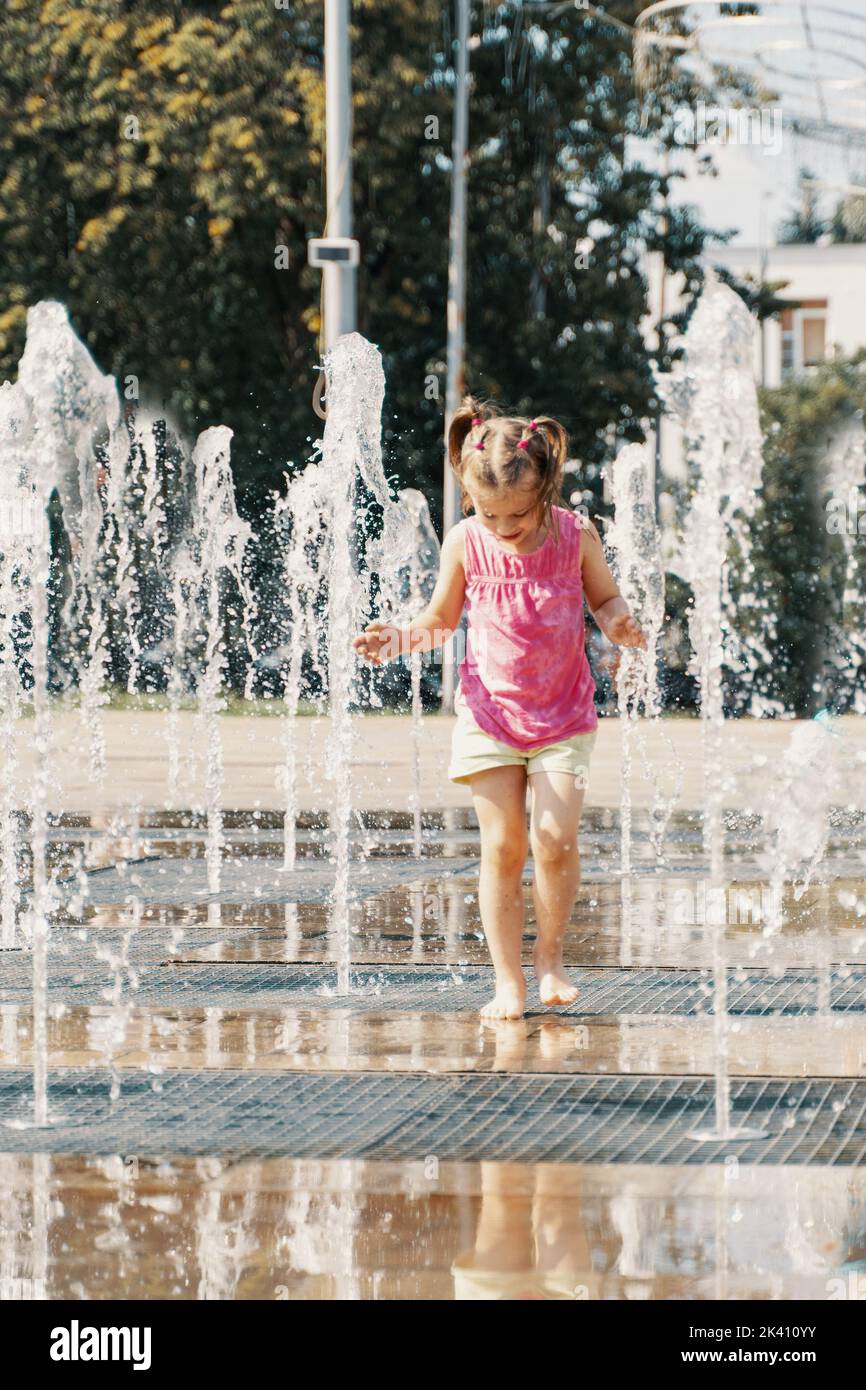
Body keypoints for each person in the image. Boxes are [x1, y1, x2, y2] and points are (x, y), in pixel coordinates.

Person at [353, 399, 645, 1019]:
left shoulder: (575, 536)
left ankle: (551, 955)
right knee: (504, 846)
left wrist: (619, 624)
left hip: (563, 716)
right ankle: (507, 979)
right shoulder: (467, 542)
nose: (504, 526)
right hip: (489, 716)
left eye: (518, 513)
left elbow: (606, 599)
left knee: (555, 839)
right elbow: (439, 621)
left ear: (546, 490)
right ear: (468, 495)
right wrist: (398, 638)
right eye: (490, 513)